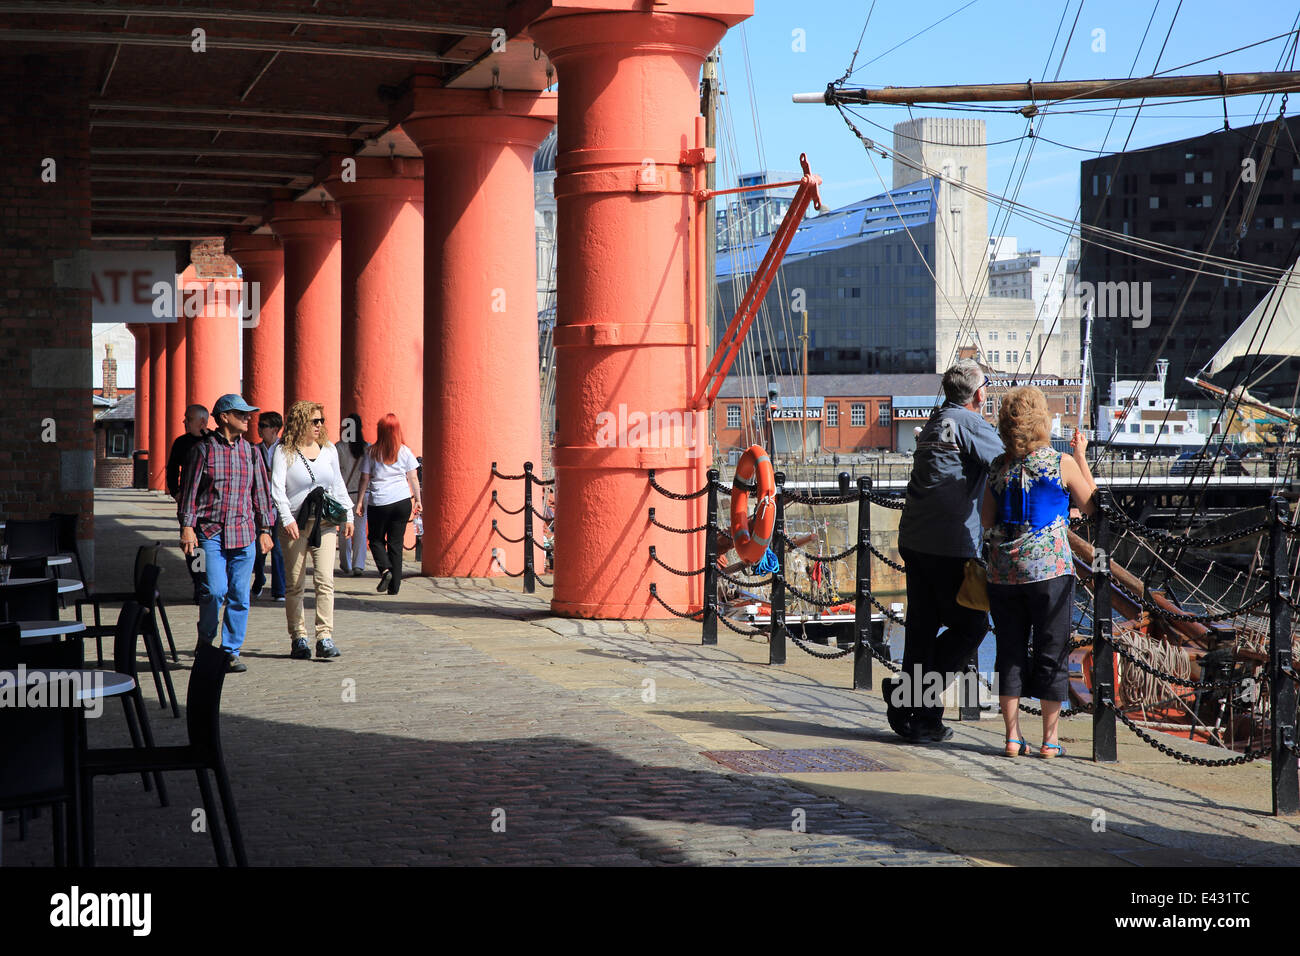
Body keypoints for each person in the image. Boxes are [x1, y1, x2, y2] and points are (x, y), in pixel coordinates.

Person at [885, 359, 1004, 742]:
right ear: (980, 394)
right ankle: (910, 704)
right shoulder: (972, 425)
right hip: (950, 545)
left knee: (921, 628)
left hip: (916, 540)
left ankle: (920, 717)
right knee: (971, 625)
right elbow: (1009, 467)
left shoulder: (937, 421)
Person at [982, 388, 1096, 758]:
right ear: (1042, 422)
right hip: (1050, 572)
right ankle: (1050, 741)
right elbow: (1094, 505)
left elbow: (986, 520)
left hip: (1003, 572)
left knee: (1010, 650)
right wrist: (1081, 457)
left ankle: (1013, 738)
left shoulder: (998, 468)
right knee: (1052, 650)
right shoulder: (1059, 463)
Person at [176, 394, 275, 673]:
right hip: (211, 533)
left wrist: (265, 529)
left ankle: (231, 651)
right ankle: (206, 642)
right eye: (241, 414)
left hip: (244, 534)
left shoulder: (253, 453)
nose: (247, 418)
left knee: (240, 596)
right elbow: (189, 493)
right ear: (224, 418)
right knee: (215, 591)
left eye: (248, 414)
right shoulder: (203, 450)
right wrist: (187, 527)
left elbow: (262, 495)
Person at [270, 401, 354, 660]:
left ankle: (325, 636)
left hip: (325, 523)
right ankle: (298, 637)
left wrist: (348, 514)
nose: (319, 426)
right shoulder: (284, 451)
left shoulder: (328, 449)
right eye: (314, 421)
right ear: (300, 422)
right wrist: (286, 519)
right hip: (295, 524)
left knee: (325, 581)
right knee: (295, 584)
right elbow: (277, 489)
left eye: (321, 421)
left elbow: (337, 484)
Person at [356, 413, 420, 596]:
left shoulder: (371, 452)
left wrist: (359, 501)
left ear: (380, 431)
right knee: (395, 543)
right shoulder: (405, 451)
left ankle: (385, 571)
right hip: (401, 501)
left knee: (376, 539)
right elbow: (413, 477)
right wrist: (418, 500)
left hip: (379, 502)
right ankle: (394, 588)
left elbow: (364, 478)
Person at [168, 403, 212, 603]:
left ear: (202, 421)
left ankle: (209, 584)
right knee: (192, 549)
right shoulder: (181, 443)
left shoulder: (213, 442)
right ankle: (199, 584)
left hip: (210, 508)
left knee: (207, 548)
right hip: (188, 506)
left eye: (188, 418)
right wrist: (176, 492)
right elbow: (171, 470)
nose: (184, 421)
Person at [251, 411, 286, 602]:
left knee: (279, 550)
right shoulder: (254, 450)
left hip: (280, 505)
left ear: (274, 429)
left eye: (263, 425)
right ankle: (259, 577)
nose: (259, 428)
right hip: (260, 505)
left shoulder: (285, 449)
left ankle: (279, 590)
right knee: (259, 548)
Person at [336, 413, 369, 577]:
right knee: (361, 530)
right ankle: (359, 564)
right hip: (363, 494)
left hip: (344, 493)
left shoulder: (339, 447)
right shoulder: (366, 448)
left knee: (344, 529)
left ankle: (346, 563)